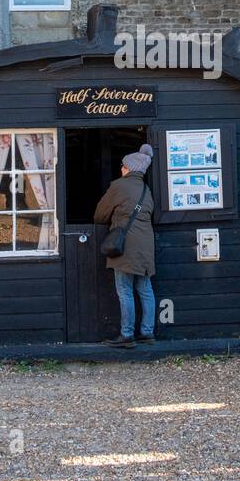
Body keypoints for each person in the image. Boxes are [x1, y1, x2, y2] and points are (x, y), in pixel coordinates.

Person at [94, 142, 156, 346]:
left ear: (129, 168)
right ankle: (147, 332)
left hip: (125, 247)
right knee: (145, 289)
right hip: (146, 246)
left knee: (124, 290)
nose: (121, 168)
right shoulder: (146, 190)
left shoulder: (119, 186)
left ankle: (127, 334)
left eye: (122, 166)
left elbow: (100, 214)